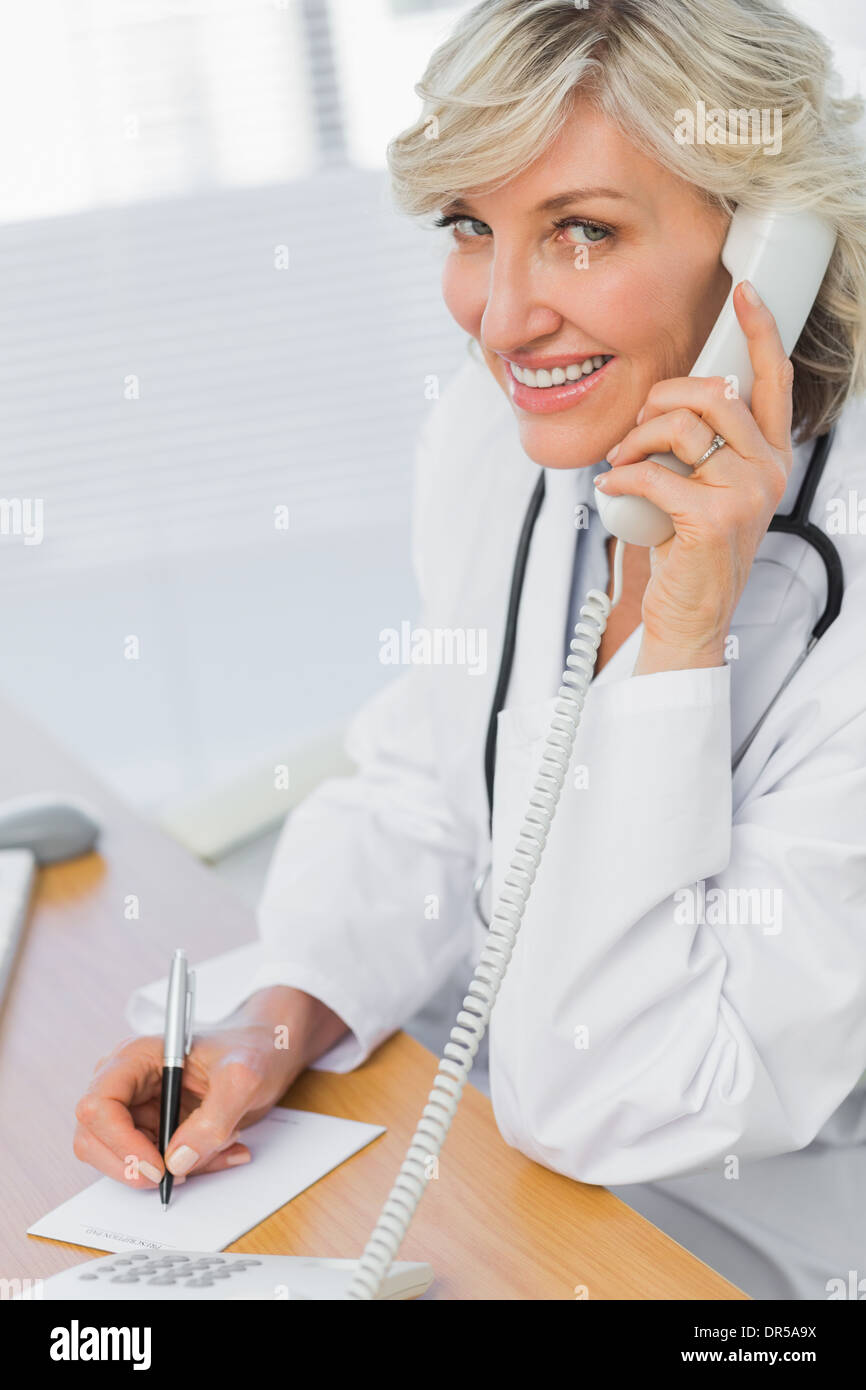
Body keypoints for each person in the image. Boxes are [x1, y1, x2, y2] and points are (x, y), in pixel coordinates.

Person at [73, 0, 866, 1299]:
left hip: (746, 1249)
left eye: (582, 231)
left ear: (771, 247)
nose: (498, 322)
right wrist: (273, 1017)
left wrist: (682, 624)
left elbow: (628, 1092)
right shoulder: (507, 436)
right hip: (504, 1155)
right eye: (469, 229)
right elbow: (430, 792)